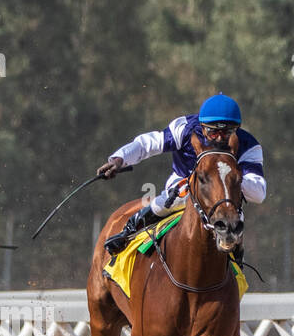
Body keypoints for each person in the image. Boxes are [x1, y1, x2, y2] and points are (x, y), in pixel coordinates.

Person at [99, 92, 266, 259]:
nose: (220, 138)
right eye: (213, 132)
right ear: (202, 127)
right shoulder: (185, 128)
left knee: (235, 214)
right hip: (182, 183)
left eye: (227, 132)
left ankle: (237, 259)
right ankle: (130, 229)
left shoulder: (249, 145)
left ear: (237, 129)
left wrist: (224, 180)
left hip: (223, 193)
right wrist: (120, 159)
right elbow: (148, 144)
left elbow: (258, 193)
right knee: (177, 200)